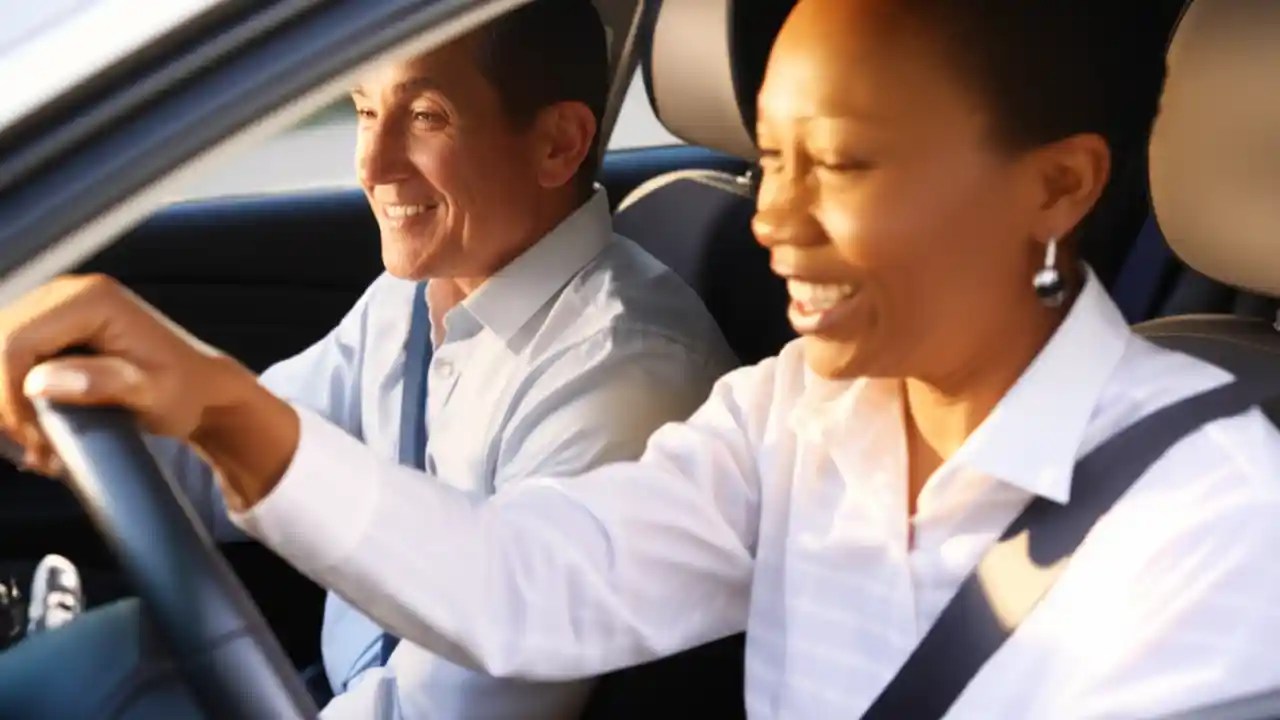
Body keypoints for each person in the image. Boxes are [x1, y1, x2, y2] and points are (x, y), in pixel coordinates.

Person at [3, 0, 1280, 717]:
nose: (774, 219)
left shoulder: (1214, 516)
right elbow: (527, 581)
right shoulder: (796, 413)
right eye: (768, 161)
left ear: (1053, 186)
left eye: (836, 164)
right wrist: (219, 406)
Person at [0, 1, 736, 718]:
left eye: (423, 117)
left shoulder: (624, 380)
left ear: (558, 144)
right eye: (362, 109)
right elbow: (228, 460)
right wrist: (52, 407)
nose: (371, 163)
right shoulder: (409, 299)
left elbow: (454, 701)